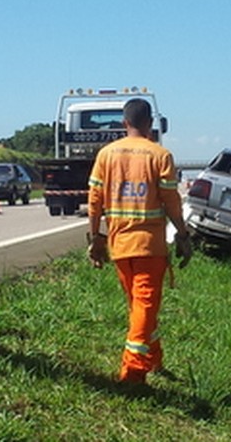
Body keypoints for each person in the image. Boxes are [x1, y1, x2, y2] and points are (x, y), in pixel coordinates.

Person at [88, 98, 193, 385]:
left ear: (125, 123)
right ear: (150, 124)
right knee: (144, 307)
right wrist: (183, 235)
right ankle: (132, 373)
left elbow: (94, 201)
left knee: (140, 307)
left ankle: (154, 358)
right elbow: (172, 201)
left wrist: (95, 238)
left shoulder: (106, 155)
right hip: (150, 247)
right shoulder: (160, 155)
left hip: (120, 247)